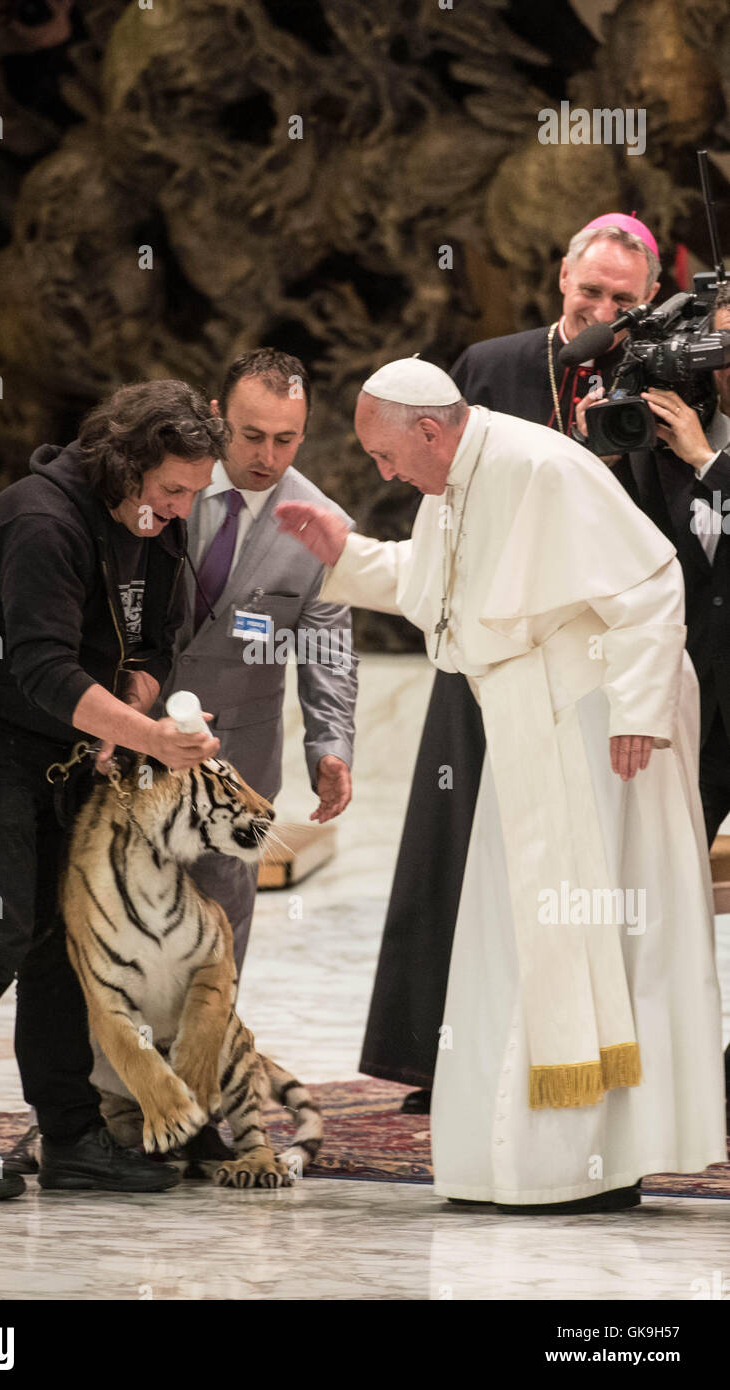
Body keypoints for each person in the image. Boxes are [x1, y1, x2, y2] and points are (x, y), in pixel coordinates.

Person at [277, 357, 725, 1212]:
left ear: (431, 430)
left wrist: (636, 708)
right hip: (534, 726)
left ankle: (588, 1159)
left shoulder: (540, 466)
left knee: (590, 925)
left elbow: (649, 581)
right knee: (514, 932)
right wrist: (349, 554)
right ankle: (523, 1159)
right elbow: (438, 586)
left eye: (386, 455)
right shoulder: (460, 479)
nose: (384, 472)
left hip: (600, 725)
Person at [358, 214, 661, 1113]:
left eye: (621, 299)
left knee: (570, 864)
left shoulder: (658, 382)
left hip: (586, 666)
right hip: (486, 650)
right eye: (589, 292)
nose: (601, 310)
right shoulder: (489, 368)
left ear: (644, 304)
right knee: (455, 844)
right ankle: (433, 1054)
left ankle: (573, 1050)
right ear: (560, 278)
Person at [0, 379, 225, 1201]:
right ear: (124, 466)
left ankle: (71, 1134)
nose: (182, 509)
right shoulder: (40, 522)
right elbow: (40, 665)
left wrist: (135, 712)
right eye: (171, 490)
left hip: (65, 743)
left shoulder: (156, 524)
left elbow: (156, 645)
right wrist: (144, 737)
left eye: (195, 492)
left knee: (62, 939)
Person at [86, 348, 358, 1164]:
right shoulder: (169, 484)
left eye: (285, 439)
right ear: (216, 416)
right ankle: (113, 1108)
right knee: (116, 922)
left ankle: (201, 1109)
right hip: (132, 747)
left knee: (214, 936)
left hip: (234, 760)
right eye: (248, 434)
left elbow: (327, 642)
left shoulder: (316, 523)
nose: (264, 456)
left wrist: (330, 743)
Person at [577, 279, 730, 1106]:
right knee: (661, 889)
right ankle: (653, 1064)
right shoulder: (654, 434)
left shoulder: (698, 446)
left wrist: (711, 463)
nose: (721, 357)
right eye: (715, 339)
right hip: (685, 704)